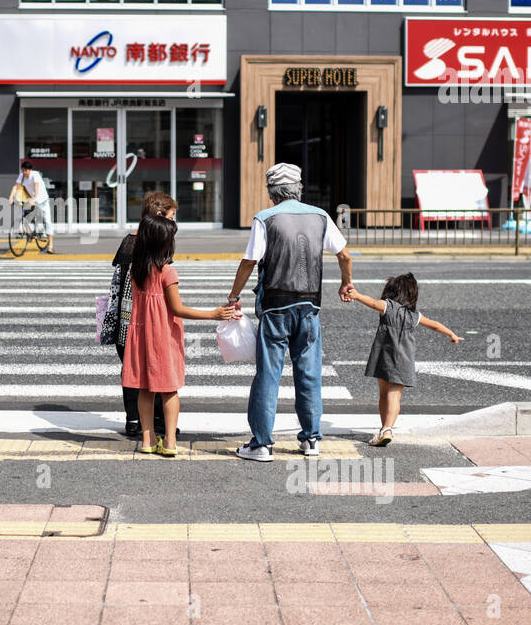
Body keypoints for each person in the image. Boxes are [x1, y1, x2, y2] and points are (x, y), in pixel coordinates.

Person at [225, 163, 353, 463]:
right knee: (308, 374)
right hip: (310, 308)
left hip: (275, 307)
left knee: (268, 375)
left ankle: (261, 444)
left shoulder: (265, 219)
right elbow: (344, 254)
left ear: (272, 192)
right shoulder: (320, 217)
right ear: (299, 188)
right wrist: (346, 283)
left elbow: (249, 262)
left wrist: (233, 296)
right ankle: (310, 439)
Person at [123, 214, 238, 457]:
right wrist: (213, 314)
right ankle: (170, 442)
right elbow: (177, 308)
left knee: (145, 389)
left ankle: (147, 439)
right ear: (164, 243)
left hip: (140, 335)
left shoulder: (137, 269)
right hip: (162, 337)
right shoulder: (167, 272)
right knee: (169, 389)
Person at [347, 273, 462, 447]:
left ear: (392, 291)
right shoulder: (413, 316)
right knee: (395, 395)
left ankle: (383, 429)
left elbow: (372, 302)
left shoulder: (388, 306)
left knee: (384, 394)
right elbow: (434, 324)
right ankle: (387, 428)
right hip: (404, 360)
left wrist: (356, 295)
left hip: (384, 357)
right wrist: (451, 334)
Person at [104, 191, 177, 439]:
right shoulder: (153, 245)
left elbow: (116, 285)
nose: (173, 222)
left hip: (124, 319)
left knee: (131, 369)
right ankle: (158, 421)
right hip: (145, 318)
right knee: (156, 368)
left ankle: (133, 420)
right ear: (159, 217)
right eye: (171, 216)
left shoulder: (128, 241)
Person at [15, 159, 55, 253]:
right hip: (31, 198)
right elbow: (16, 187)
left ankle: (51, 245)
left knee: (47, 220)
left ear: (30, 170)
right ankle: (29, 232)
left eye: (25, 170)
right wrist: (13, 197)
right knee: (24, 213)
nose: (23, 172)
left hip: (42, 199)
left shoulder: (35, 175)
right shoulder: (22, 176)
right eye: (22, 170)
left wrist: (34, 199)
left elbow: (36, 191)